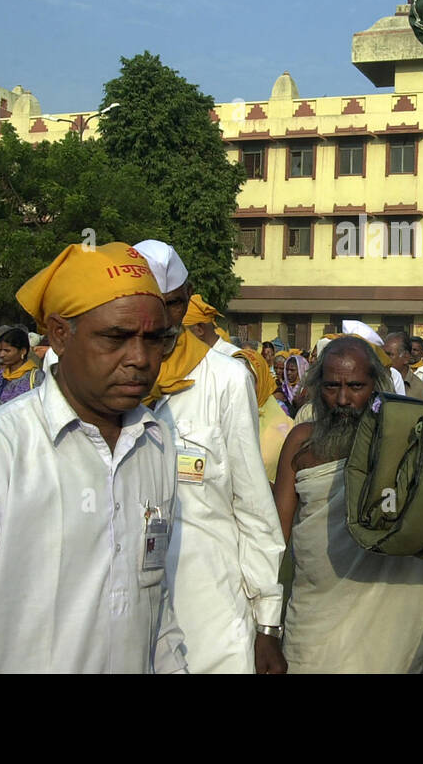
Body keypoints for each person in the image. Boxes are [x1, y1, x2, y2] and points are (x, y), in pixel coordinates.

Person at [0, 242, 187, 673]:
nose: (141, 359)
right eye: (116, 338)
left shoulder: (155, 443)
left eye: (154, 339)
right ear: (60, 335)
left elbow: (155, 605)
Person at [272, 336, 423, 673]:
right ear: (316, 387)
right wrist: (265, 627)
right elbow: (272, 542)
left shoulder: (412, 438)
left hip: (401, 637)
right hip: (319, 628)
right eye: (331, 386)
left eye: (355, 386)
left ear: (376, 386)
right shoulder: (301, 442)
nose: (342, 399)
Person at [134, 238, 286, 675]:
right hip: (122, 611)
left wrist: (267, 626)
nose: (163, 318)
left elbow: (253, 505)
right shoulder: (108, 383)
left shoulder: (224, 378)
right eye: (151, 303)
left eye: (174, 304)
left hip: (210, 612)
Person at [233, 348, 295, 482]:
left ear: (260, 381)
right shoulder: (215, 416)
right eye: (231, 381)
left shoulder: (285, 427)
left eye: (249, 381)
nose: (239, 387)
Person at [0, 326, 42, 410]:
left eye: (7, 351)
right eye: (1, 350)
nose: (1, 355)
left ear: (23, 351)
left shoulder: (36, 377)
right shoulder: (0, 376)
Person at [384, 331, 423, 399]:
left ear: (406, 357)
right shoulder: (375, 381)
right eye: (382, 354)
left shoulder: (420, 390)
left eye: (389, 355)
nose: (383, 359)